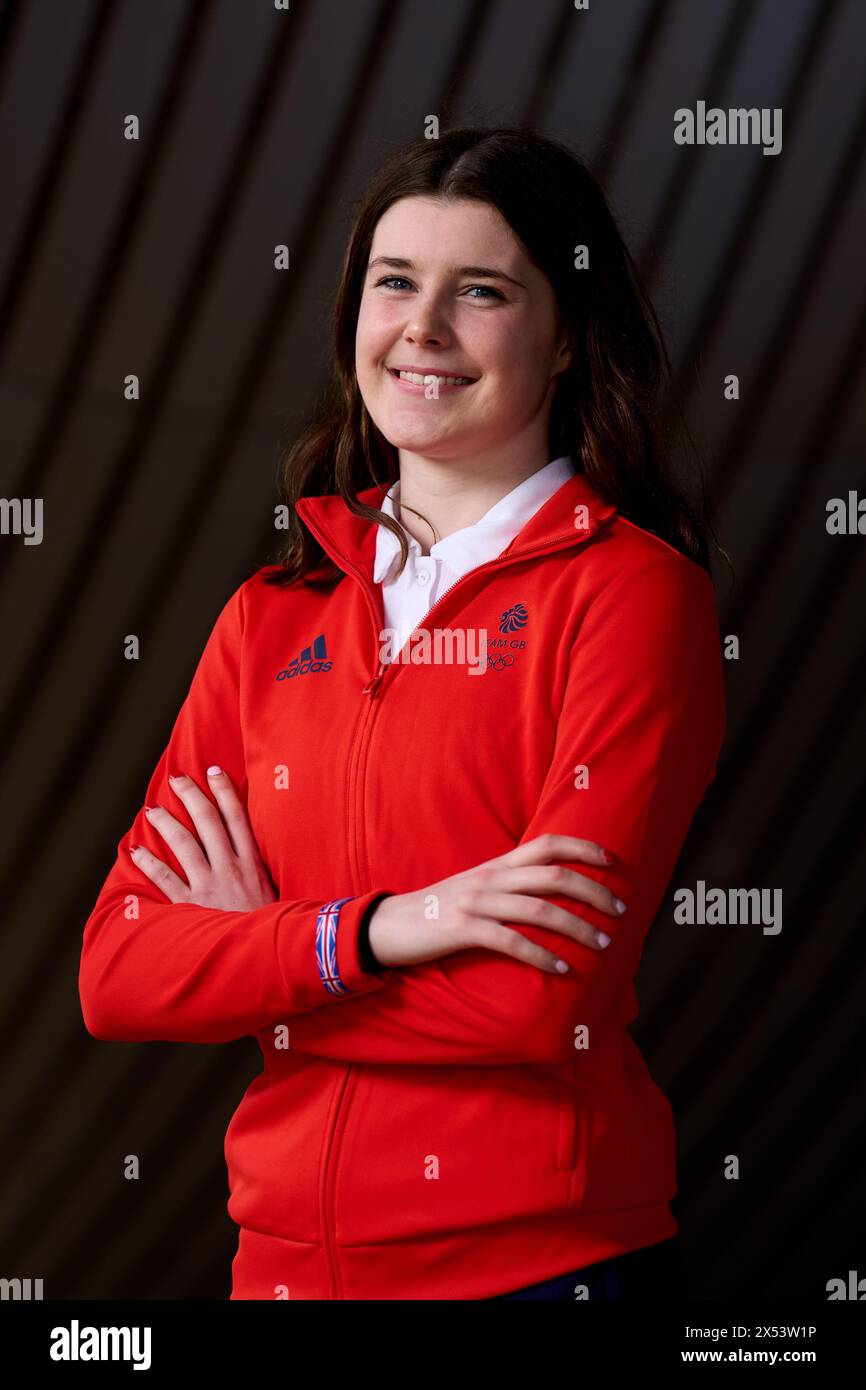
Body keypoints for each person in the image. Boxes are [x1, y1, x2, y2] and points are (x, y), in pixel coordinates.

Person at [78, 127, 727, 1301]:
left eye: (479, 291)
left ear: (568, 334)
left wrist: (259, 963)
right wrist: (379, 930)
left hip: (536, 1273)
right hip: (279, 1274)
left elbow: (541, 1004)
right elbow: (116, 970)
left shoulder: (632, 598)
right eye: (394, 283)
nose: (421, 328)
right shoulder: (269, 617)